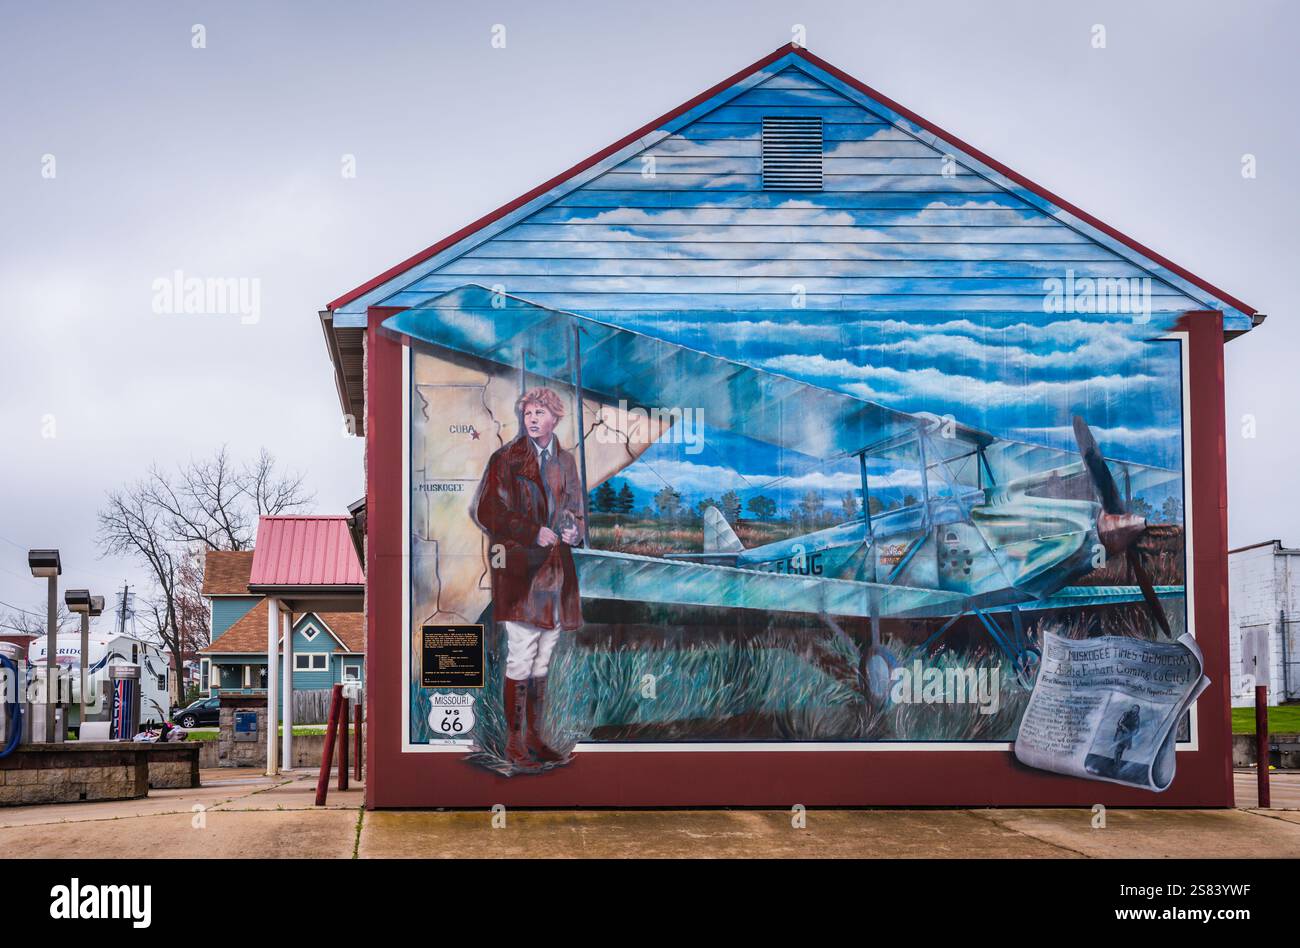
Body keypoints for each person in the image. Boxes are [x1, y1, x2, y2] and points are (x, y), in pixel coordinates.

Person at [473, 387, 584, 770]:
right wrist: (530, 531)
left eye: (539, 412)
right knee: (521, 655)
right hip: (522, 573)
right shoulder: (506, 459)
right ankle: (514, 743)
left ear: (555, 417)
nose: (532, 419)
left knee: (544, 658)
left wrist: (575, 531)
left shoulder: (566, 462)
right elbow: (488, 512)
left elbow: (576, 511)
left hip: (557, 574)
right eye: (528, 413)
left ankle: (535, 739)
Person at [1113, 703, 1141, 768]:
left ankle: (1118, 762)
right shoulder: (1126, 714)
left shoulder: (1137, 717)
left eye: (1137, 709)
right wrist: (1125, 729)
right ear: (1132, 708)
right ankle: (1116, 763)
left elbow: (1137, 726)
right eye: (1135, 708)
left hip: (1128, 735)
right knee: (1118, 748)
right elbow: (1119, 723)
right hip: (1121, 733)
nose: (1136, 710)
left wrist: (1135, 732)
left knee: (1122, 748)